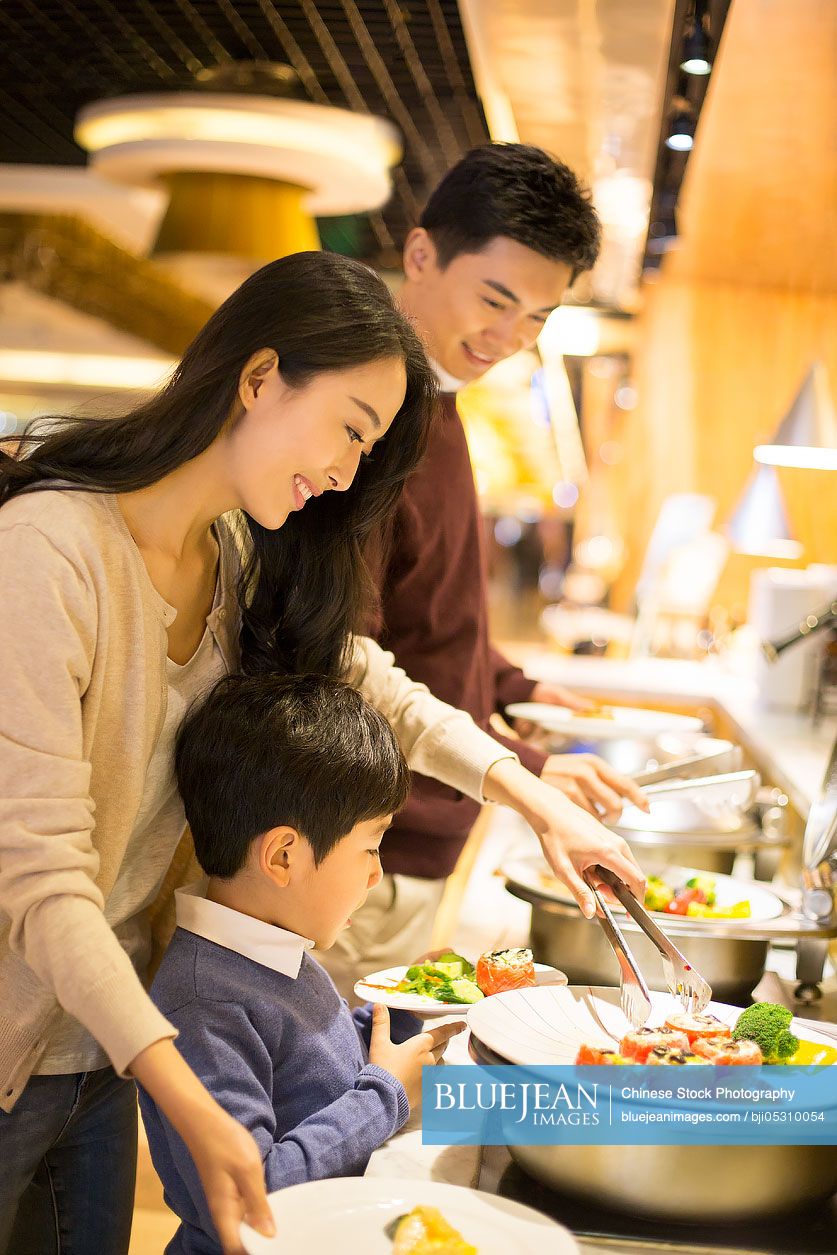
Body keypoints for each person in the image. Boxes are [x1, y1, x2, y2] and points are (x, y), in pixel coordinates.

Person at [0, 248, 641, 1255]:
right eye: (349, 428)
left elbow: (376, 679)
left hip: (105, 1044)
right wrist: (181, 1083)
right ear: (259, 379)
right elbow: (41, 878)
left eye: (368, 446)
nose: (345, 472)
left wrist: (536, 798)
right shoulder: (49, 551)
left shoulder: (237, 564)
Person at [319, 145, 649, 1000]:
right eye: (496, 299)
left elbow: (423, 607)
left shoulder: (438, 401)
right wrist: (521, 770)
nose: (508, 338)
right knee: (338, 1113)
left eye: (538, 317)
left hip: (426, 820)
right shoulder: (369, 420)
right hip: (367, 837)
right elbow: (344, 659)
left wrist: (509, 680)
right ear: (422, 254)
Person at [139, 672, 465, 1254]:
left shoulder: (277, 944)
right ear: (284, 855)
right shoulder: (203, 1003)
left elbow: (317, 1067)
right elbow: (248, 1201)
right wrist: (385, 1094)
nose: (376, 872)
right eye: (370, 846)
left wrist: (409, 1007)